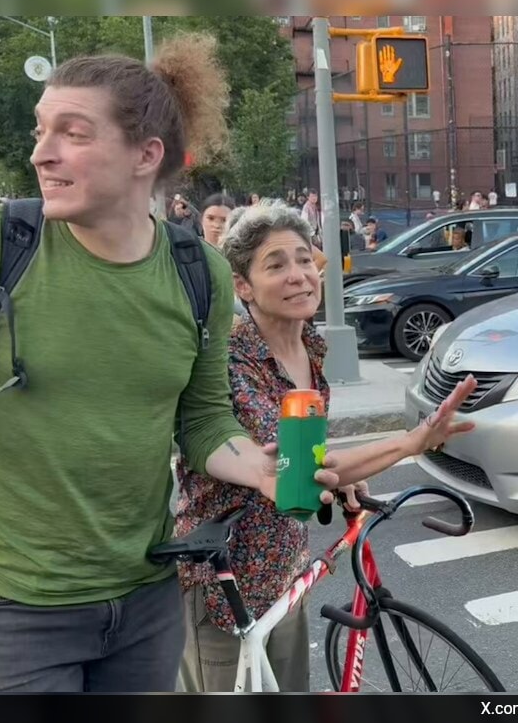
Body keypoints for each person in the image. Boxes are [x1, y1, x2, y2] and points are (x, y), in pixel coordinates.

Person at [0, 37, 342, 693]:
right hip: (11, 608)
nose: (41, 153)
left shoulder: (201, 274)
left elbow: (204, 420)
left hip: (145, 600)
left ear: (145, 154)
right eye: (41, 131)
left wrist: (262, 469)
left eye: (72, 134)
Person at [173, 199, 477, 691]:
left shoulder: (310, 347)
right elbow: (299, 464)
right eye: (276, 264)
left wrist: (352, 478)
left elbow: (320, 455)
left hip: (283, 568)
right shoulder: (232, 358)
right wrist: (413, 441)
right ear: (243, 286)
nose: (298, 275)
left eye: (302, 259)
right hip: (221, 583)